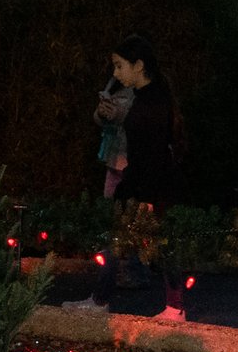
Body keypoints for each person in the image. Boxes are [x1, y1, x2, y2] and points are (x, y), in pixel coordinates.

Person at [66, 36, 186, 321]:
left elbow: (155, 152)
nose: (116, 73)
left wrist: (146, 197)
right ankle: (103, 298)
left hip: (149, 188)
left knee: (161, 243)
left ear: (139, 65)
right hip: (138, 184)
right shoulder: (146, 96)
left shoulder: (154, 101)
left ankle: (175, 306)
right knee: (118, 238)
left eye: (120, 66)